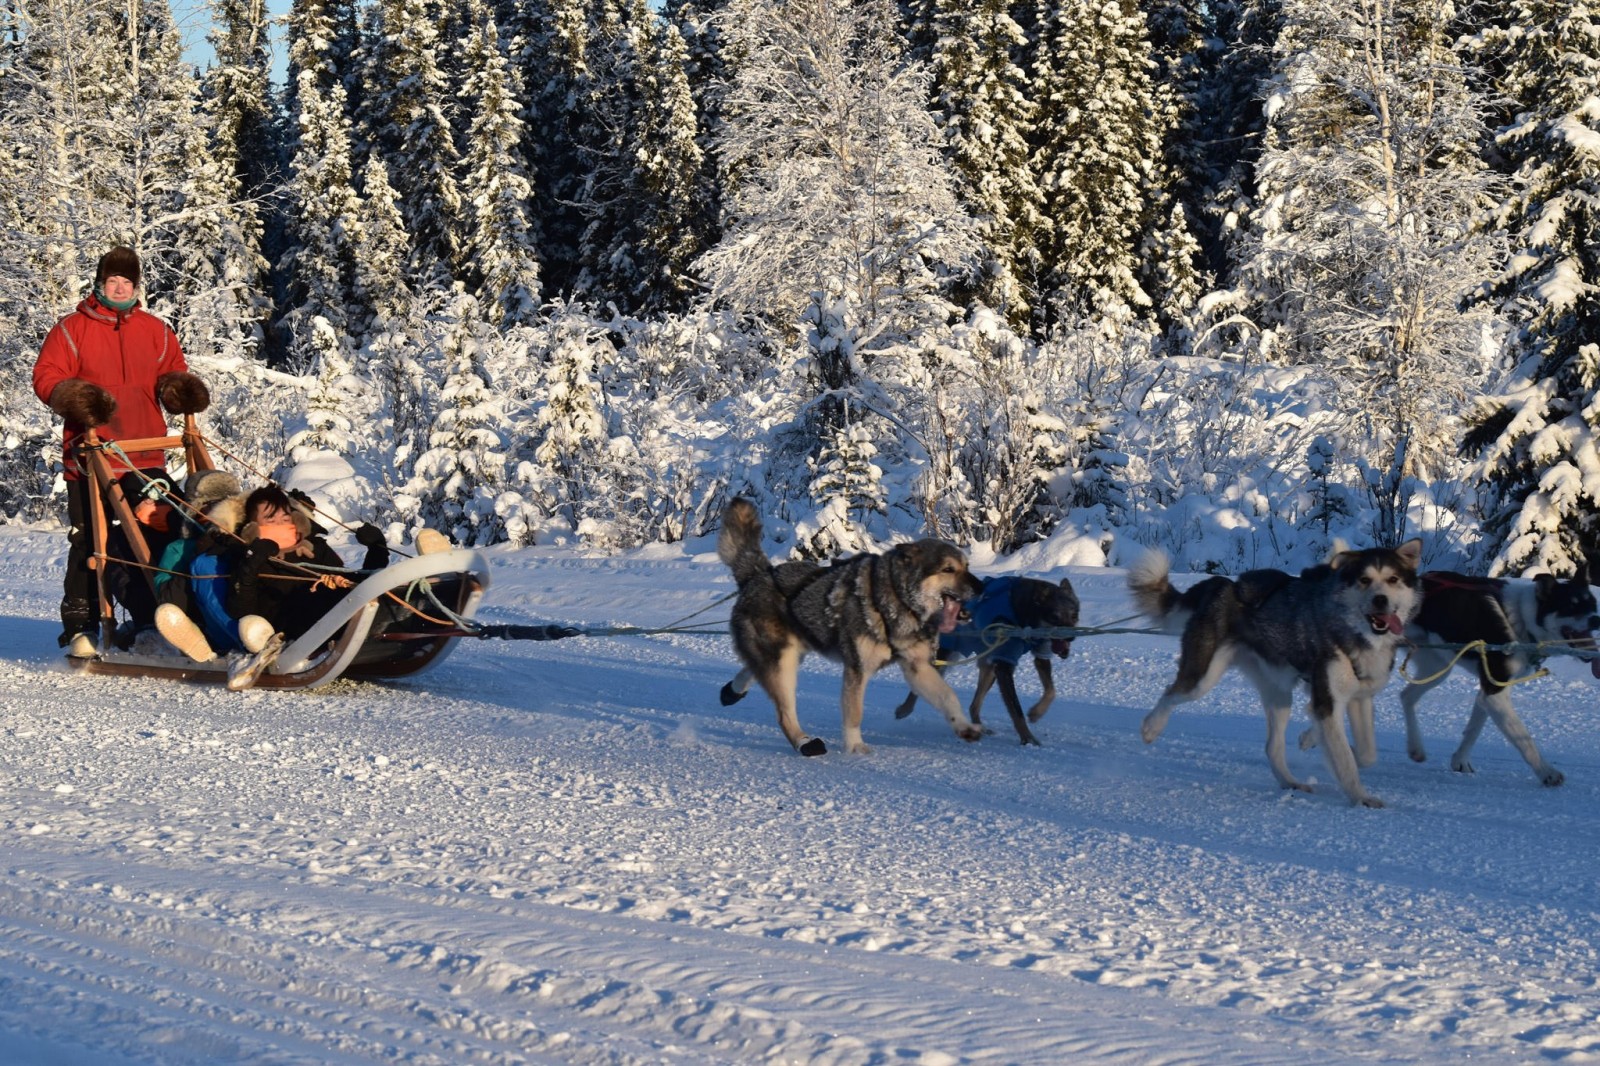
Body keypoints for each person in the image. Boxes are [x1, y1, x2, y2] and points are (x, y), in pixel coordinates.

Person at [32, 246, 210, 656]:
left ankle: (161, 615)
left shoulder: (156, 330)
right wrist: (73, 395)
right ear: (99, 284)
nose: (118, 288)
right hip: (89, 457)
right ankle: (82, 626)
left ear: (135, 287)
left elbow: (172, 370)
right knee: (89, 542)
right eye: (112, 281)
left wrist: (177, 389)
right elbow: (46, 376)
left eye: (126, 282)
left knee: (159, 532)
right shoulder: (71, 329)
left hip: (145, 454)